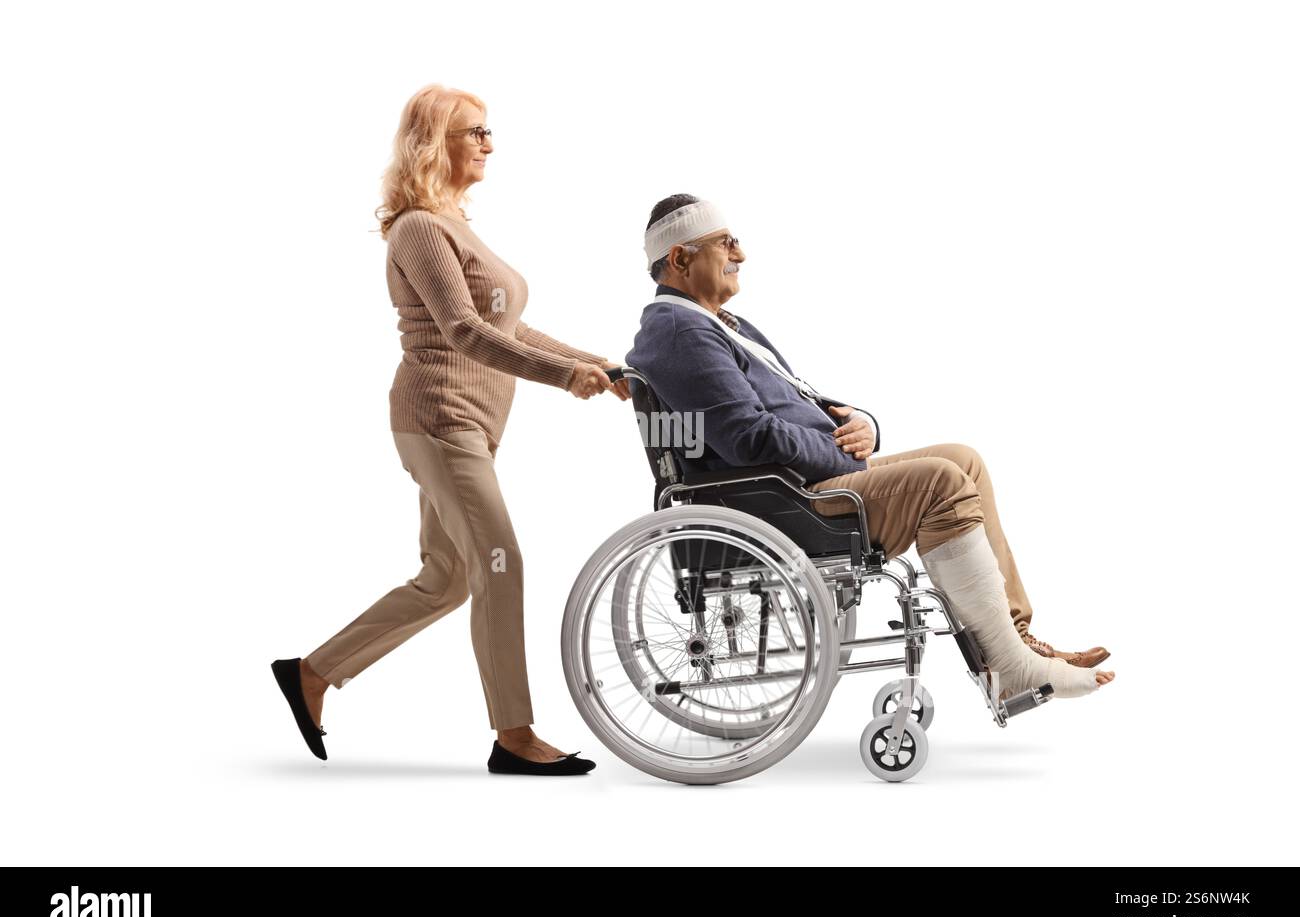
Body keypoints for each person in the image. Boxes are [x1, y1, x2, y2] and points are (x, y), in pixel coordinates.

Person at [624, 194, 1115, 704]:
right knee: (942, 481)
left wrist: (862, 425)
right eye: (725, 244)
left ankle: (1012, 638)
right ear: (681, 259)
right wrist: (847, 456)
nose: (740, 254)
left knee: (962, 457)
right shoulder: (680, 331)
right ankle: (1007, 664)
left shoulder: (720, 325)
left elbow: (800, 401)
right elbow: (750, 439)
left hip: (800, 479)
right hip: (777, 497)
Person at [271, 84, 627, 774]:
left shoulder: (456, 224)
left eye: (489, 131)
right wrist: (562, 379)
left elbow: (508, 328)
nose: (489, 143)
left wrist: (598, 364)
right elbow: (463, 332)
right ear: (434, 143)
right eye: (475, 132)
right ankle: (515, 736)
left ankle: (312, 674)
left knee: (447, 577)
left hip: (471, 426)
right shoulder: (418, 229)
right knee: (501, 562)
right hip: (440, 421)